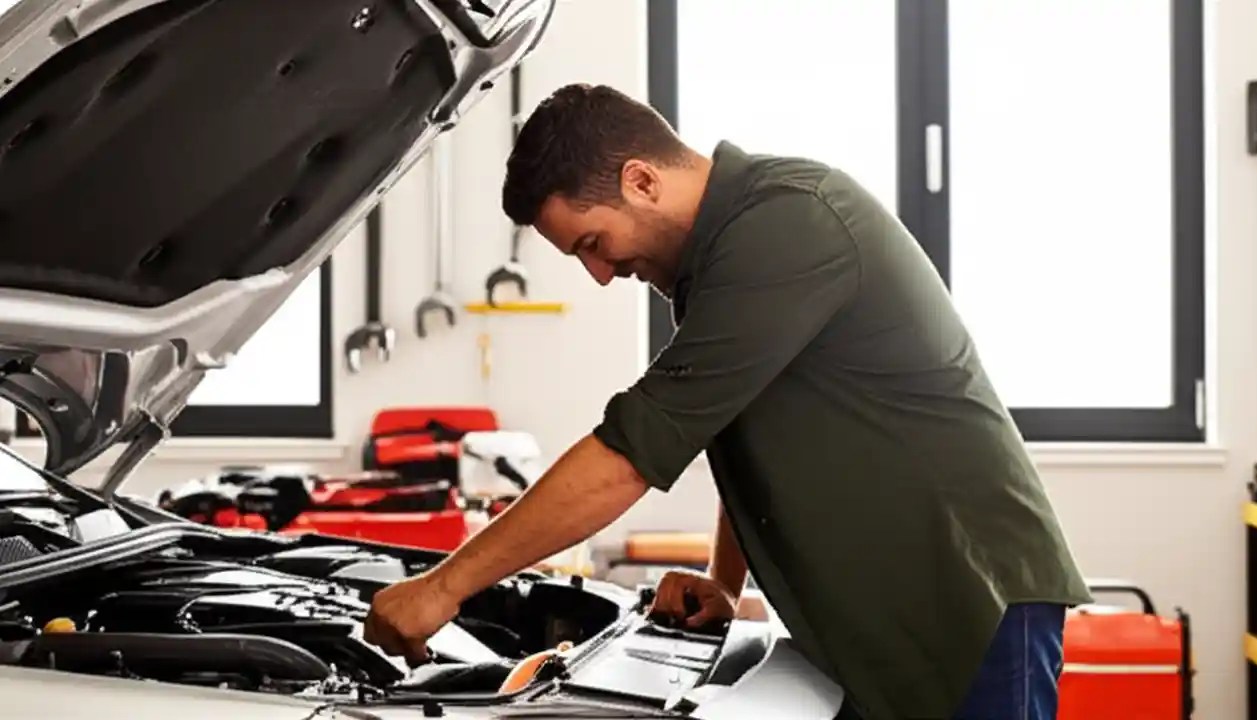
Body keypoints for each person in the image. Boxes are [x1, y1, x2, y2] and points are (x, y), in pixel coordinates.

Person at [362, 83, 1093, 719]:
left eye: (593, 242)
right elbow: (746, 432)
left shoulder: (789, 225)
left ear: (642, 181)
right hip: (892, 616)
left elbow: (630, 452)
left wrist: (445, 585)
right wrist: (723, 584)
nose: (600, 274)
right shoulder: (721, 267)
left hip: (968, 600)